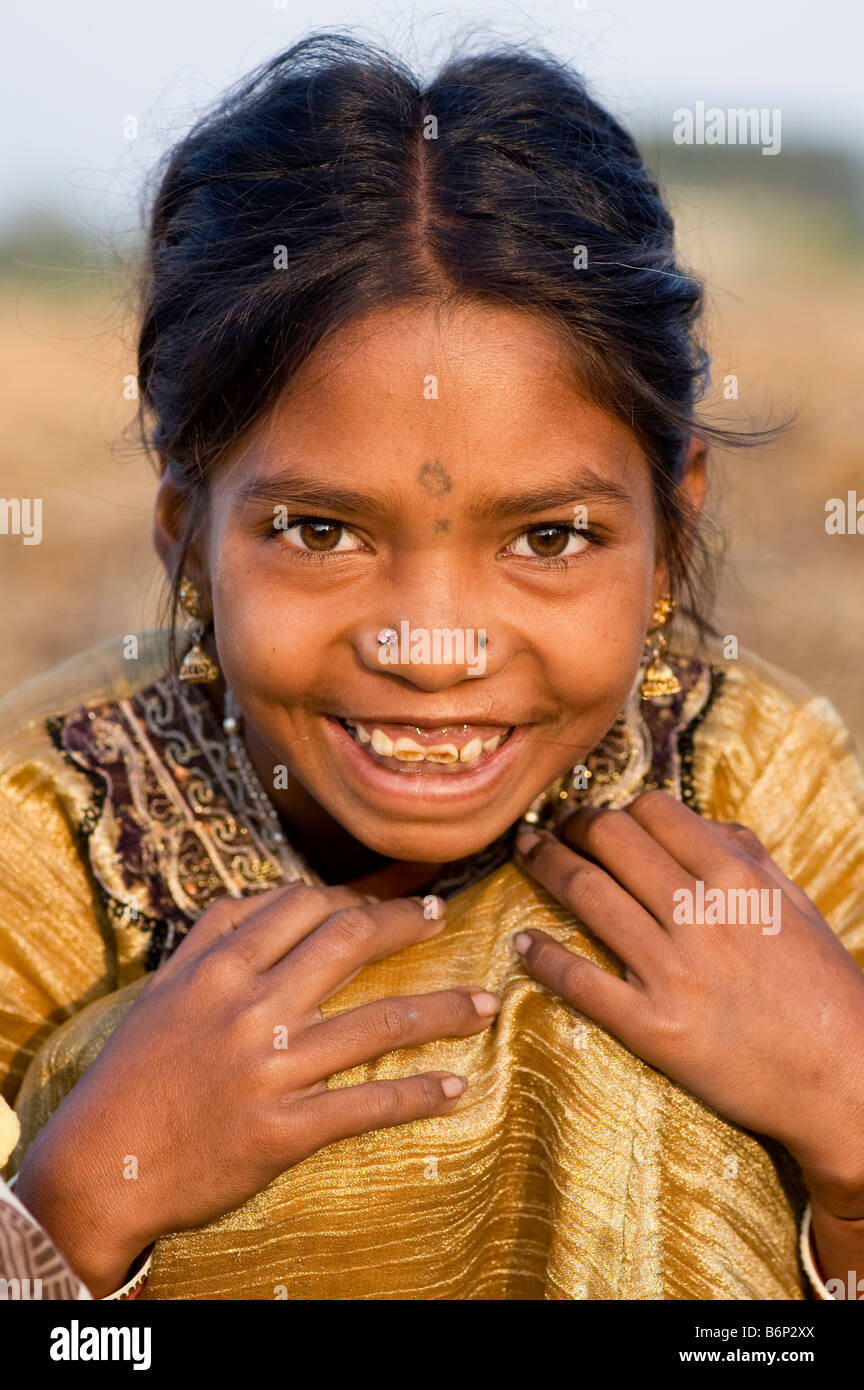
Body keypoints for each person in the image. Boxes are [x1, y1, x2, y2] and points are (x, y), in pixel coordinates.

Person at [1, 34, 863, 1301]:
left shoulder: (772, 798)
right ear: (186, 531)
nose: (433, 646)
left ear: (672, 530)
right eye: (321, 532)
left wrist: (847, 1120)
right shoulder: (45, 839)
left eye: (551, 537)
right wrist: (79, 1201)